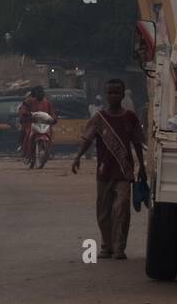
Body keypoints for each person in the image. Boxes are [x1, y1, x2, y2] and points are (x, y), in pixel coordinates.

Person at [71, 79, 146, 259]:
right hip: (104, 172)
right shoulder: (99, 118)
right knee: (103, 212)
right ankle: (107, 245)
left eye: (116, 92)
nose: (113, 95)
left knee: (121, 208)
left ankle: (119, 248)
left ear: (122, 94)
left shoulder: (130, 118)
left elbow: (137, 142)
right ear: (106, 95)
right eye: (110, 92)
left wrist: (142, 167)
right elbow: (87, 139)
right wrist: (78, 157)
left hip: (124, 171)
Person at [18, 86, 58, 168]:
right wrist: (25, 113)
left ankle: (50, 152)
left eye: (41, 92)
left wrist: (54, 118)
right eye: (38, 92)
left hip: (45, 124)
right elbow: (23, 109)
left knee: (51, 135)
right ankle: (26, 152)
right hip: (32, 123)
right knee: (27, 135)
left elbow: (52, 113)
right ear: (35, 93)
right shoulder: (29, 101)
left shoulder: (48, 103)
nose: (40, 94)